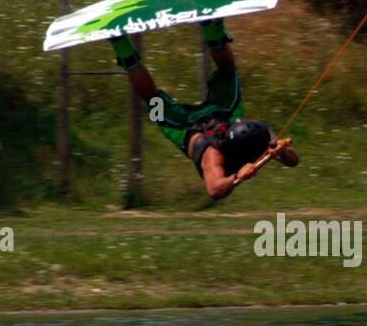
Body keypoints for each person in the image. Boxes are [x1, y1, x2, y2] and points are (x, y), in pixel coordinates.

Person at [108, 18, 297, 199]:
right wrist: (239, 174)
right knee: (228, 72)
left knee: (152, 101)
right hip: (224, 113)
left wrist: (279, 153)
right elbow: (217, 190)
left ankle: (121, 45)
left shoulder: (222, 150)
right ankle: (212, 29)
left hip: (184, 129)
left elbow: (214, 190)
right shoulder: (239, 140)